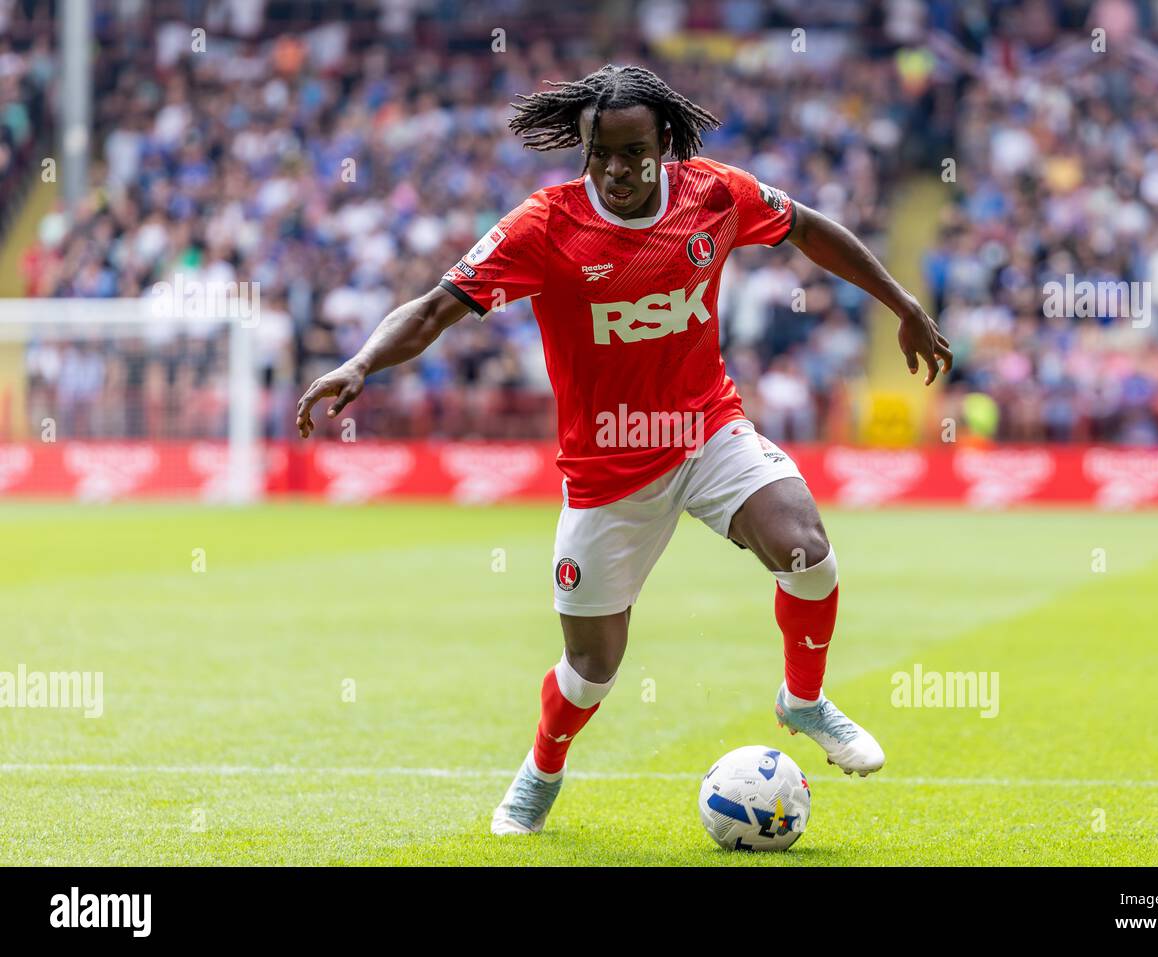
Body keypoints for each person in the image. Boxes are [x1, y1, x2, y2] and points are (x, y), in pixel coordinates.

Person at [296, 65, 952, 836]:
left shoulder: (716, 194)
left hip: (704, 430)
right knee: (591, 671)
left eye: (632, 153)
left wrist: (902, 302)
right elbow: (438, 307)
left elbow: (808, 228)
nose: (615, 170)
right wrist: (361, 362)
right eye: (599, 154)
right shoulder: (546, 225)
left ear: (664, 143)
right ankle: (542, 770)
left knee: (807, 550)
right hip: (606, 470)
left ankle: (803, 700)